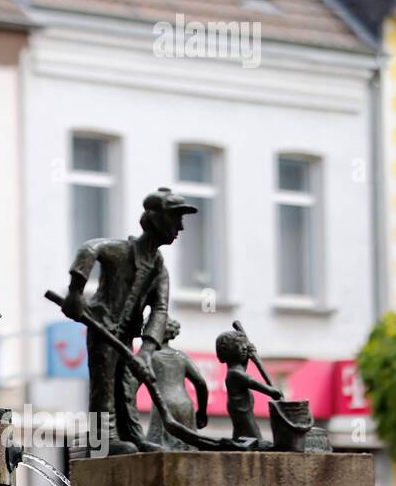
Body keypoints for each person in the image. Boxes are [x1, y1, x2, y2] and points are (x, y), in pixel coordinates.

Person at [56, 188, 196, 455]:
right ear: (156, 219)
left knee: (125, 384)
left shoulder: (158, 270)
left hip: (125, 336)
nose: (180, 226)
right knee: (104, 384)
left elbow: (160, 310)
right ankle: (102, 441)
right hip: (102, 327)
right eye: (175, 218)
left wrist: (146, 351)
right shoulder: (121, 251)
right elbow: (89, 249)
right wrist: (75, 292)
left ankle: (132, 434)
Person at [146, 319, 209, 450]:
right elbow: (201, 383)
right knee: (188, 448)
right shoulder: (181, 356)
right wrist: (202, 411)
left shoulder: (150, 357)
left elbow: (132, 386)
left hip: (163, 405)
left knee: (159, 449)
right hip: (185, 405)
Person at [217, 329, 282, 441]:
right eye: (239, 345)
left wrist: (250, 356)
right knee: (254, 436)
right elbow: (253, 382)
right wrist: (272, 391)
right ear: (226, 350)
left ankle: (237, 442)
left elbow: (243, 369)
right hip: (242, 411)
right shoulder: (235, 374)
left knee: (241, 433)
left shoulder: (236, 371)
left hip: (241, 408)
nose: (244, 348)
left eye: (245, 345)